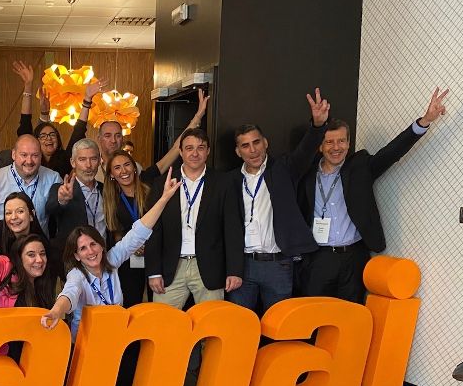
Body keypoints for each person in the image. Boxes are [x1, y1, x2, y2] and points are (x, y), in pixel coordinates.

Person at [298, 87, 450, 303]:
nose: (336, 147)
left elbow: (392, 152)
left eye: (341, 141)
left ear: (348, 143)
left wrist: (425, 121)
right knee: (315, 314)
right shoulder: (305, 173)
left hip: (353, 259)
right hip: (318, 259)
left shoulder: (360, 167)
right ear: (320, 146)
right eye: (329, 142)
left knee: (352, 316)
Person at [40, 168, 182, 341]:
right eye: (83, 248)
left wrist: (165, 198)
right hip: (87, 344)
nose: (90, 251)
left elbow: (138, 233)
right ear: (76, 256)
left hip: (114, 338)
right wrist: (56, 311)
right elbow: (69, 293)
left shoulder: (111, 260)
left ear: (102, 245)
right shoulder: (77, 275)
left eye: (93, 244)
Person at [225, 88, 331, 315]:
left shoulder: (283, 169)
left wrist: (318, 126)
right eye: (245, 145)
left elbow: (304, 152)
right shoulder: (230, 180)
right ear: (238, 151)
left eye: (256, 142)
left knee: (278, 325)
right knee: (239, 324)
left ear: (266, 143)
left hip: (278, 264)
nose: (253, 150)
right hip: (243, 265)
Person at [145, 127, 244, 307]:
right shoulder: (162, 183)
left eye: (201, 147)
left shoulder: (223, 183)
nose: (195, 153)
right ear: (180, 152)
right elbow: (154, 229)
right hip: (171, 268)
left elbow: (232, 229)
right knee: (164, 321)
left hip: (210, 267)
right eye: (189, 148)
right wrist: (154, 271)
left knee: (211, 321)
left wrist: (234, 270)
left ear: (208, 151)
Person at [0, 135, 62, 236]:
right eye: (24, 155)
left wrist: (63, 201)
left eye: (35, 155)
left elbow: (62, 215)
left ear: (41, 156)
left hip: (39, 243)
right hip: (4, 243)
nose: (29, 161)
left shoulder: (53, 178)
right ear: (13, 154)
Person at [103, 149, 151, 307]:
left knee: (156, 303)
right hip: (129, 260)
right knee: (131, 304)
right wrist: (133, 245)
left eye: (127, 165)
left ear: (134, 168)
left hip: (154, 256)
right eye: (117, 168)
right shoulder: (111, 200)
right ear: (111, 174)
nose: (124, 171)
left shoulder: (150, 192)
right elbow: (114, 230)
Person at [46, 140, 106, 258]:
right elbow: (50, 209)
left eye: (93, 159)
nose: (88, 165)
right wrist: (62, 201)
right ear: (73, 162)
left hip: (103, 256)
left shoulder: (105, 190)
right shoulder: (61, 189)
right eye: (82, 159)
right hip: (74, 259)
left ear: (100, 161)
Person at [12, 60, 71, 177]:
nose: (48, 139)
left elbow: (78, 133)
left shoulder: (66, 159)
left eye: (52, 135)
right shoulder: (30, 161)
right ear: (36, 141)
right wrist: (28, 86)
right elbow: (25, 121)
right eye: (43, 136)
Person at [0, 192, 49, 258]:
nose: (13, 217)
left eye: (20, 211)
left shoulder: (41, 243)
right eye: (8, 213)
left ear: (31, 215)